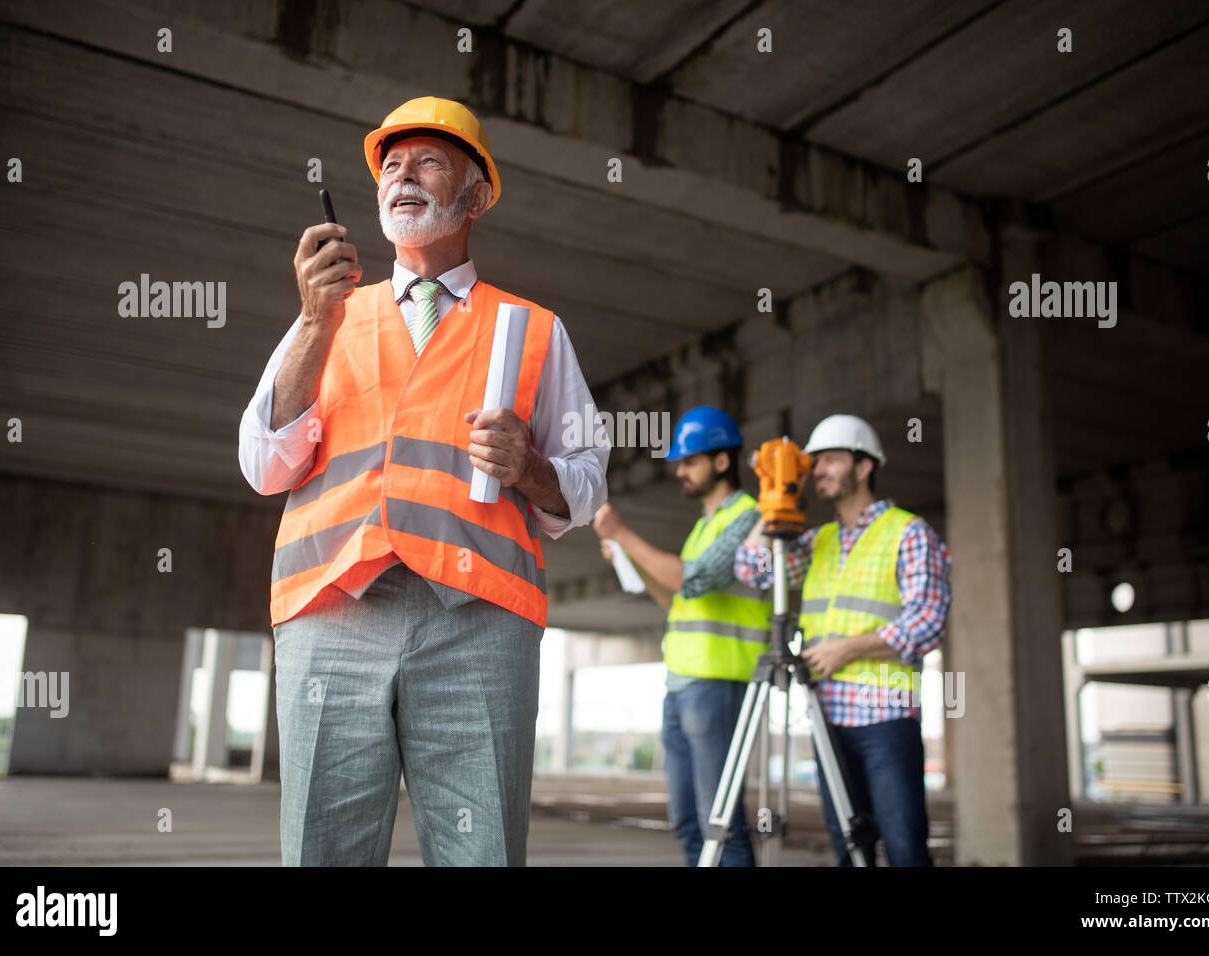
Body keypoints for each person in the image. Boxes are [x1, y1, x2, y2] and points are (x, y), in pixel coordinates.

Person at [237, 96, 608, 866]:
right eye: (391, 165)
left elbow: (585, 486)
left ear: (476, 196)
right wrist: (311, 322)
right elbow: (264, 463)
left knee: (483, 854)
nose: (403, 175)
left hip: (479, 621)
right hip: (334, 610)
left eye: (429, 161)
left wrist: (531, 469)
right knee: (322, 850)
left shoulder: (534, 330)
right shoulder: (325, 317)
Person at [735, 414, 951, 866]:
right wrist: (770, 499)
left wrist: (846, 649)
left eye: (831, 459)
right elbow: (751, 569)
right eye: (814, 462)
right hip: (828, 718)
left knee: (905, 848)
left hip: (885, 720)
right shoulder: (819, 540)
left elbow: (929, 620)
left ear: (865, 466)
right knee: (849, 851)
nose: (818, 470)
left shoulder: (908, 533)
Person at [592, 407, 768, 866]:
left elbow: (694, 579)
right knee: (689, 822)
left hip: (719, 685)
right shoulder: (703, 527)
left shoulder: (747, 518)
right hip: (683, 685)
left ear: (722, 462)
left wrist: (624, 535)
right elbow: (676, 599)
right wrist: (627, 561)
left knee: (720, 823)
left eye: (689, 461)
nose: (680, 470)